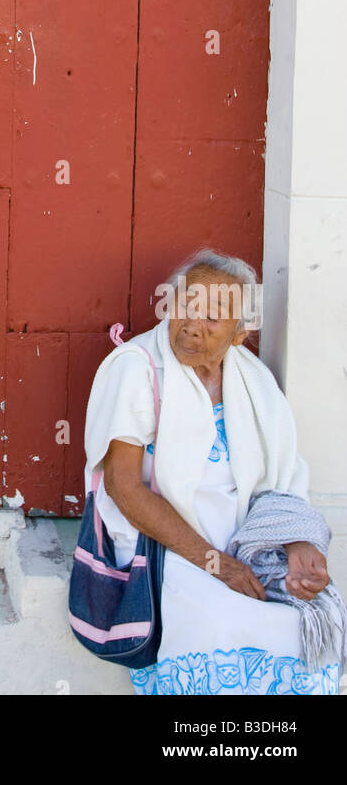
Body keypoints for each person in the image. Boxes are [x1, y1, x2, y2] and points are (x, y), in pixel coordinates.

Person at [83, 248, 341, 695]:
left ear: (240, 334)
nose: (191, 325)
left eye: (214, 317)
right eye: (185, 306)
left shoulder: (255, 381)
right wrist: (215, 564)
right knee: (217, 623)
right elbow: (124, 488)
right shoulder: (138, 369)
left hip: (249, 539)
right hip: (169, 544)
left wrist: (298, 544)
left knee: (309, 620)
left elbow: (282, 481)